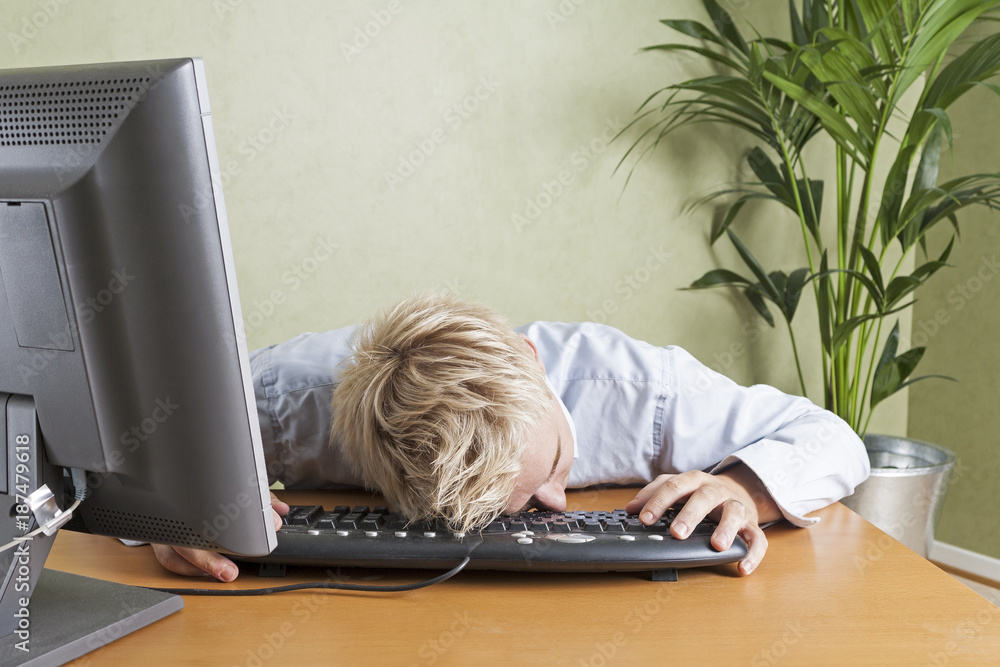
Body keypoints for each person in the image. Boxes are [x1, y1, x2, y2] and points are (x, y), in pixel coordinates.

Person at [152, 292, 870, 581]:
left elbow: (833, 436)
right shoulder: (285, 396)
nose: (557, 501)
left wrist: (741, 484)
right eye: (517, 504)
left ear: (534, 361)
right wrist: (162, 508)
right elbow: (124, 441)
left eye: (552, 464)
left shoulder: (644, 388)